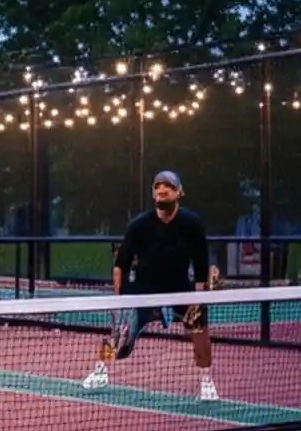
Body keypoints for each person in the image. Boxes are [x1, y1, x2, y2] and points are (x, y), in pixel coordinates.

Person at [82, 170, 219, 401]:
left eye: (168, 186)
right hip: (143, 292)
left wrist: (198, 297)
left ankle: (207, 382)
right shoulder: (138, 226)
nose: (162, 190)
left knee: (201, 334)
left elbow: (201, 262)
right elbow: (121, 264)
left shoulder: (192, 223)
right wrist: (122, 298)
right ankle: (100, 370)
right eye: (158, 186)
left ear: (179, 192)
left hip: (180, 291)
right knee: (117, 337)